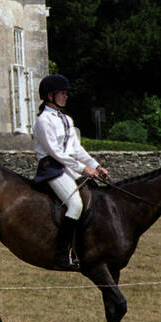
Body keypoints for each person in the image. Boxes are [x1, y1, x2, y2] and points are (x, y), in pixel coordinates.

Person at [34, 74, 109, 269]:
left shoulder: (66, 119)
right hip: (51, 169)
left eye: (66, 93)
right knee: (75, 205)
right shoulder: (43, 121)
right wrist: (84, 169)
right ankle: (61, 254)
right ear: (50, 96)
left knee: (92, 193)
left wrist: (97, 166)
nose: (66, 97)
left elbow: (76, 149)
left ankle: (83, 247)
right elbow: (56, 153)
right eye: (63, 93)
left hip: (66, 167)